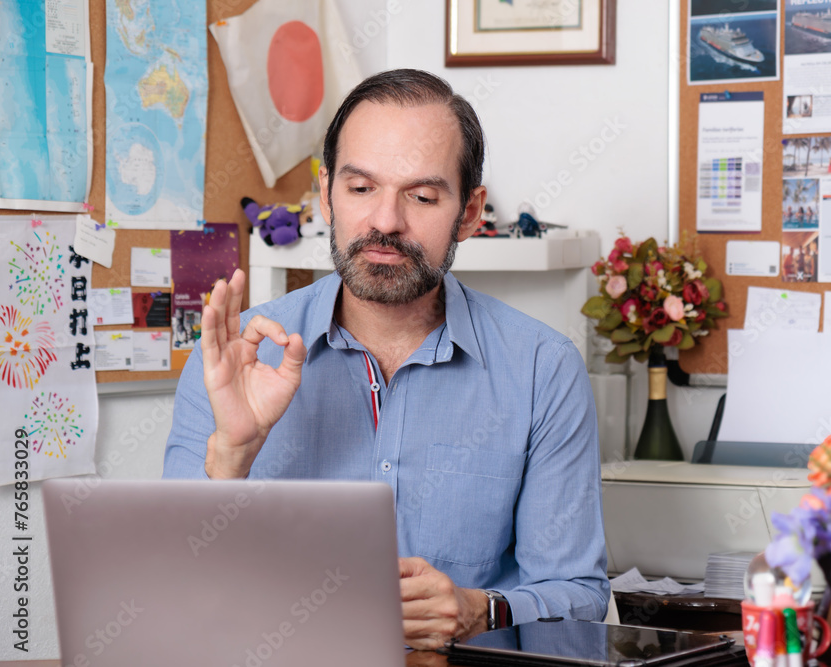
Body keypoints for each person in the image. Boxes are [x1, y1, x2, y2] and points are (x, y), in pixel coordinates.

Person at [162, 69, 610, 650]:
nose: (385, 222)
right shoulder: (237, 355)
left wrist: (482, 609)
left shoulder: (541, 369)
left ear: (470, 213)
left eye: (422, 197)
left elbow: (579, 592)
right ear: (326, 194)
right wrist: (230, 458)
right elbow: (167, 593)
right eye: (360, 189)